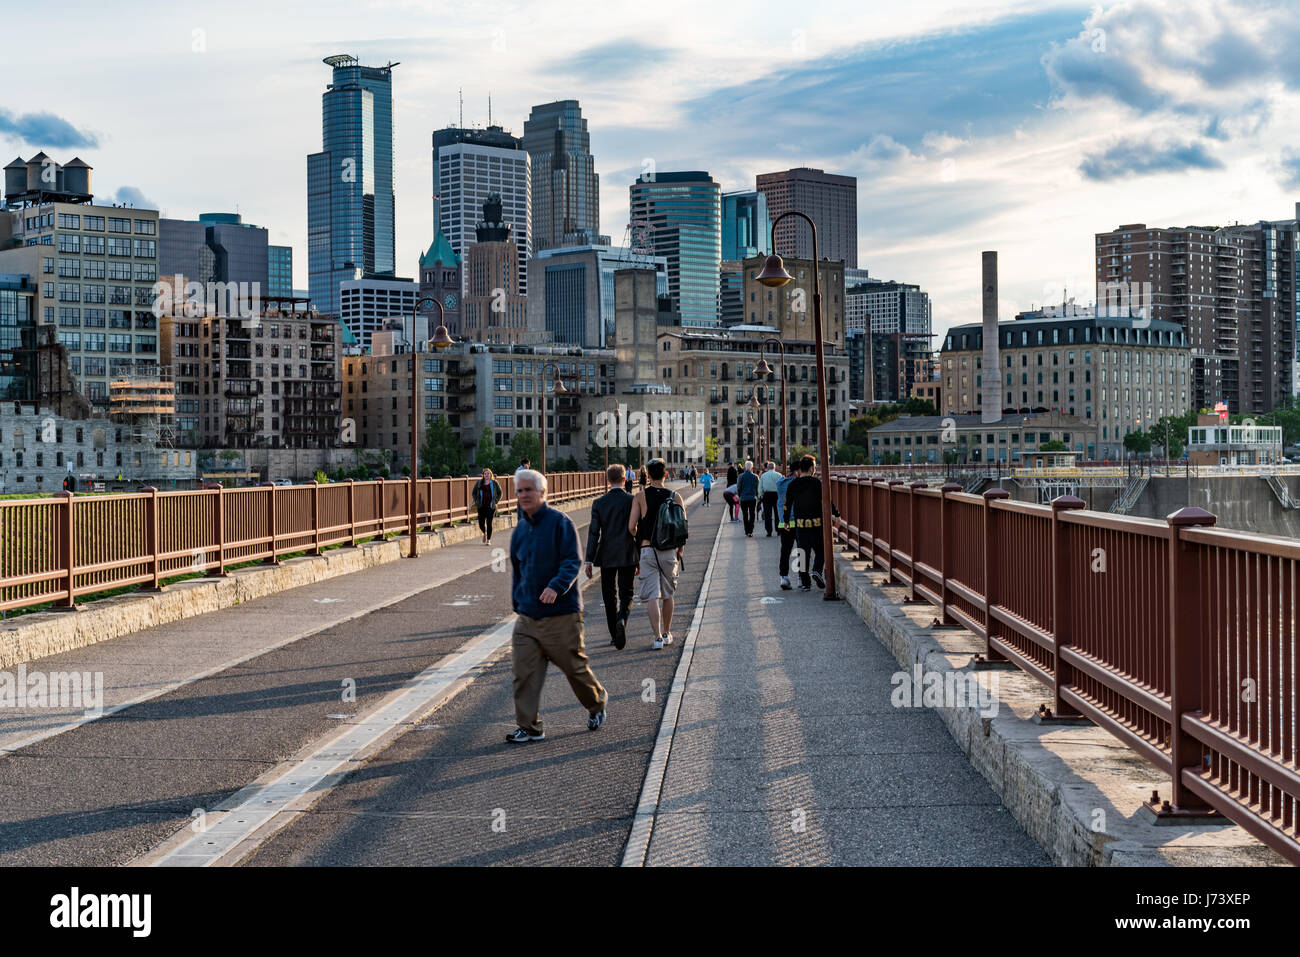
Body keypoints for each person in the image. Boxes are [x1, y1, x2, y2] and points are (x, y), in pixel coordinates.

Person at [506, 470, 607, 743]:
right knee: (523, 673)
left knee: (573, 667)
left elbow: (572, 561)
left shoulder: (560, 523)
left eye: (528, 490)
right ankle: (529, 727)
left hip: (561, 615)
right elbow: (517, 568)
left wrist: (555, 586)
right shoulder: (521, 529)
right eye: (519, 491)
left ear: (543, 493)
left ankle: (596, 702)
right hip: (527, 616)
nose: (523, 495)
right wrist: (517, 601)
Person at [627, 458, 684, 650]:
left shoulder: (640, 497)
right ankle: (668, 633)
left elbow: (631, 527)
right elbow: (682, 528)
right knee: (668, 594)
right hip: (668, 550)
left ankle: (657, 637)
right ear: (665, 474)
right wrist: (679, 550)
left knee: (653, 595)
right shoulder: (675, 496)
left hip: (647, 550)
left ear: (648, 475)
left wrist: (640, 536)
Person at [585, 464, 637, 650]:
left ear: (607, 480)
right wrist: (638, 555)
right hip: (627, 552)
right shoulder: (632, 500)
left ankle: (615, 635)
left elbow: (593, 533)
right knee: (627, 593)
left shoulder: (599, 503)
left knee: (609, 595)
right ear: (625, 479)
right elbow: (636, 529)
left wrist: (589, 560)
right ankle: (622, 619)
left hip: (606, 554)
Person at [783, 455, 840, 593]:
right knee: (821, 550)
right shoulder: (816, 483)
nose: (815, 470)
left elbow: (787, 504)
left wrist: (786, 521)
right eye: (814, 467)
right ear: (810, 468)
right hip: (817, 524)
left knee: (802, 553)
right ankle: (817, 570)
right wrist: (836, 515)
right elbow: (827, 500)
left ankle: (805, 583)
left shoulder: (793, 484)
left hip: (801, 525)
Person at [776, 462, 799, 589]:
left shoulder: (780, 483)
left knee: (785, 550)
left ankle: (784, 577)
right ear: (796, 472)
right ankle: (802, 578)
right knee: (801, 549)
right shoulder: (798, 484)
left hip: (783, 522)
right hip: (797, 521)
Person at [472, 468, 503, 545]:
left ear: (491, 474)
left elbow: (500, 493)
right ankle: (484, 533)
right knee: (481, 523)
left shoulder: (494, 483)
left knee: (489, 523)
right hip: (481, 506)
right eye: (485, 474)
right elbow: (474, 492)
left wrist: (496, 501)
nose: (486, 475)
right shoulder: (479, 483)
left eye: (488, 473)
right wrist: (476, 500)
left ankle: (488, 540)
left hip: (491, 506)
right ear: (483, 475)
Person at [758, 461, 782, 537]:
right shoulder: (779, 475)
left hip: (767, 495)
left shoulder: (763, 475)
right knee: (777, 513)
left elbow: (760, 487)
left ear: (767, 468)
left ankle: (769, 531)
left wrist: (761, 495)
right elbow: (782, 486)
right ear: (774, 468)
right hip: (776, 495)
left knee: (768, 514)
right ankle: (778, 530)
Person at [737, 460, 759, 537]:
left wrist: (740, 496)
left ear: (745, 467)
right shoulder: (755, 477)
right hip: (752, 498)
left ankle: (746, 530)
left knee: (745, 514)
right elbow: (757, 488)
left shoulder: (740, 476)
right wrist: (757, 495)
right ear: (752, 467)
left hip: (743, 498)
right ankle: (751, 530)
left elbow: (739, 488)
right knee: (752, 514)